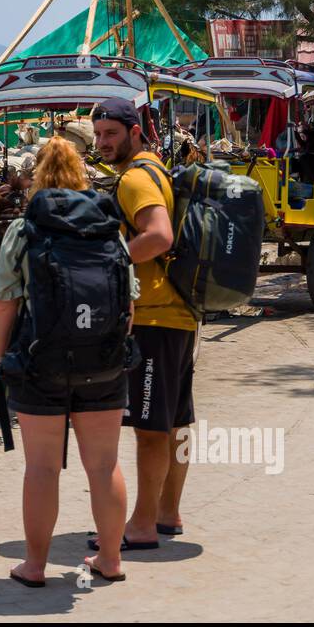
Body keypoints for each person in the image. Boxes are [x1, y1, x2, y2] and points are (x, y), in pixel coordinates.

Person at [0, 136, 136, 586]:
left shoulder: (25, 229)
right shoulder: (109, 227)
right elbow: (129, 304)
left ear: (37, 177)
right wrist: (106, 346)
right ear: (81, 174)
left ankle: (34, 567)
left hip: (41, 362)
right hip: (104, 364)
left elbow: (6, 302)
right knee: (105, 464)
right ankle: (110, 561)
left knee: (42, 468)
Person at [92, 98, 200, 550]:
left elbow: (159, 235)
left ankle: (139, 525)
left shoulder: (136, 178)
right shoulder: (155, 167)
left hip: (155, 316)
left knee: (150, 429)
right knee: (175, 422)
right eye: (97, 135)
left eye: (110, 134)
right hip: (180, 313)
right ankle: (167, 511)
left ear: (135, 132)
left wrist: (104, 260)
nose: (102, 143)